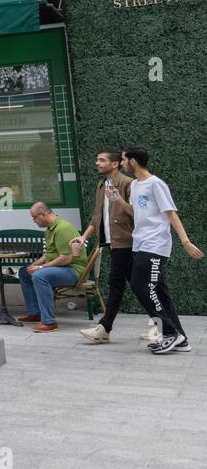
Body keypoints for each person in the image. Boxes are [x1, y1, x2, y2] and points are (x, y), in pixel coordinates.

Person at [107, 146, 201, 354]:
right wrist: (118, 200)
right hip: (141, 243)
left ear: (132, 161)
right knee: (159, 291)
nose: (121, 163)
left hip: (155, 244)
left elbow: (171, 213)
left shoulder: (156, 184)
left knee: (142, 285)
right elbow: (136, 212)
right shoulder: (136, 185)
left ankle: (169, 332)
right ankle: (181, 338)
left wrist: (185, 242)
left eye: (123, 160)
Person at [76, 151, 141, 344]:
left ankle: (104, 327)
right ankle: (162, 324)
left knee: (116, 283)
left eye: (102, 160)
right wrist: (83, 237)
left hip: (126, 242)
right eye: (97, 160)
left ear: (115, 164)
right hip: (112, 243)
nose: (97, 163)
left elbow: (138, 213)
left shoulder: (127, 183)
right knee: (139, 285)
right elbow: (98, 217)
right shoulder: (102, 184)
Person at [21, 202, 86, 333]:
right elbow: (48, 254)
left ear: (43, 214)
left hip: (73, 270)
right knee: (24, 272)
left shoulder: (62, 228)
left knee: (40, 276)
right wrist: (34, 265)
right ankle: (35, 313)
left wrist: (40, 268)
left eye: (34, 217)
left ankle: (49, 322)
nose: (33, 221)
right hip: (61, 268)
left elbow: (66, 258)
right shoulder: (50, 229)